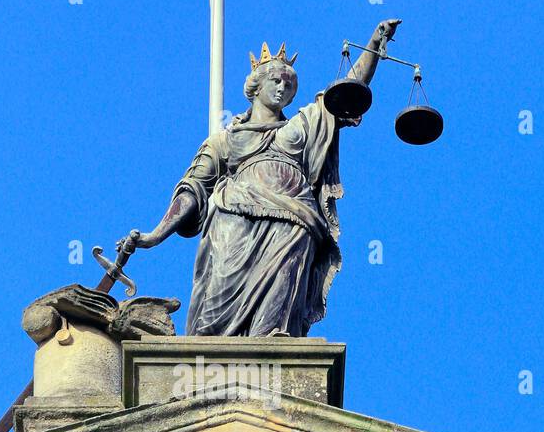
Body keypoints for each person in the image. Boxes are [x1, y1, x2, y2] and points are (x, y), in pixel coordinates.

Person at [119, 19, 402, 336]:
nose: (283, 87)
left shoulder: (301, 125)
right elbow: (193, 189)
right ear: (256, 85)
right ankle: (209, 363)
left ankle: (269, 349)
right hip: (233, 220)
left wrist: (375, 43)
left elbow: (346, 92)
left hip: (292, 222)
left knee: (274, 318)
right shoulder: (224, 141)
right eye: (277, 80)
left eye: (290, 84)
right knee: (213, 314)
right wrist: (155, 235)